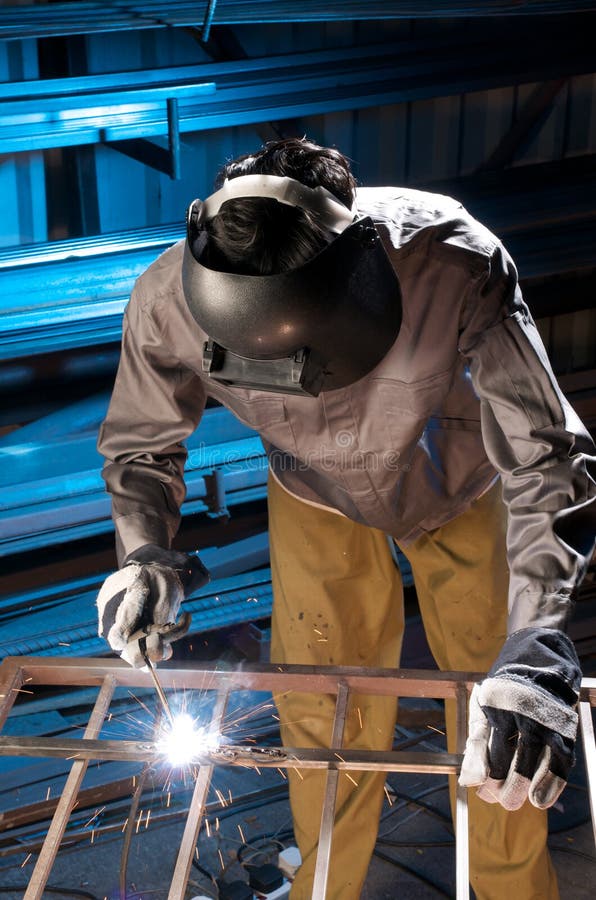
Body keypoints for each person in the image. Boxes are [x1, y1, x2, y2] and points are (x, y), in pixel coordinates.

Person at [96, 138, 596, 899]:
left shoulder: (452, 260)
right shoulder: (168, 298)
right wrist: (144, 554)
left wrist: (537, 641)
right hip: (315, 496)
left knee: (504, 719)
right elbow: (142, 445)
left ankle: (512, 890)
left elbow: (545, 455)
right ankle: (325, 887)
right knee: (323, 711)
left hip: (455, 486)